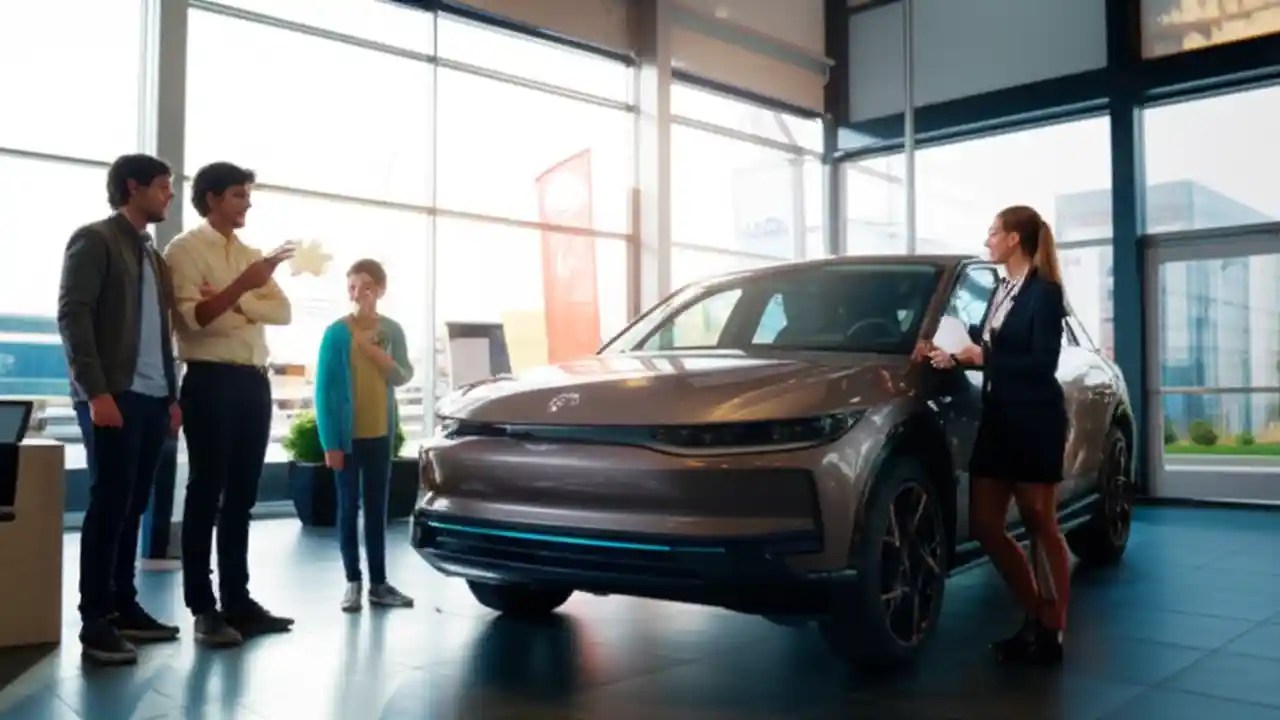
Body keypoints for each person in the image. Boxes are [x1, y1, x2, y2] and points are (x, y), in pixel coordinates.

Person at [928, 204, 1071, 665]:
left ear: (1013, 239)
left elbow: (1042, 363)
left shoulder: (1045, 292)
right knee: (986, 525)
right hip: (998, 419)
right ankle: (1036, 613)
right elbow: (987, 341)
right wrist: (951, 353)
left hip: (1034, 419)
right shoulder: (1001, 289)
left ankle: (1051, 628)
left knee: (1039, 522)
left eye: (993, 232)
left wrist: (982, 358)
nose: (987, 240)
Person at [57, 153, 183, 665]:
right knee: (109, 506)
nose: (170, 195)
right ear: (133, 187)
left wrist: (171, 395)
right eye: (163, 186)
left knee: (133, 505)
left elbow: (162, 333)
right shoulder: (95, 239)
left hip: (152, 398)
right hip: (113, 394)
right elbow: (73, 316)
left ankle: (124, 605)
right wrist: (96, 392)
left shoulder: (152, 255)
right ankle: (95, 621)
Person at [164, 162, 296, 647]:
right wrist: (243, 287)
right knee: (206, 492)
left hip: (253, 382)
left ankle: (238, 601)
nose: (248, 204)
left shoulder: (250, 255)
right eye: (239, 195)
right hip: (210, 380)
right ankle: (204, 608)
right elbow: (194, 320)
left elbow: (283, 311)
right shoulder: (184, 250)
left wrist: (235, 302)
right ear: (213, 198)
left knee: (242, 496)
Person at [315, 259, 416, 612]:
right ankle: (352, 582)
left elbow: (402, 375)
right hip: (347, 439)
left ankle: (379, 583)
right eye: (353, 287)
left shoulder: (392, 331)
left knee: (377, 510)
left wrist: (375, 353)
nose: (358, 293)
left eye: (366, 286)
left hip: (380, 434)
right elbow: (324, 391)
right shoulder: (336, 333)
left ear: (381, 290)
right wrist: (330, 443)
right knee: (347, 508)